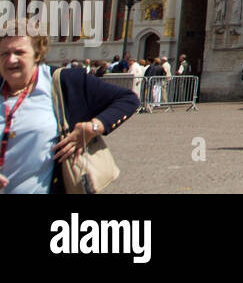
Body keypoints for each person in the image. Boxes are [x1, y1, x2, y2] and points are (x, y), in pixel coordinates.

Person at [1, 34, 140, 193]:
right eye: (4, 53)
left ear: (37, 54)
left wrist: (93, 128)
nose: (11, 59)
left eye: (19, 52)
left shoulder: (65, 81)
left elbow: (128, 99)